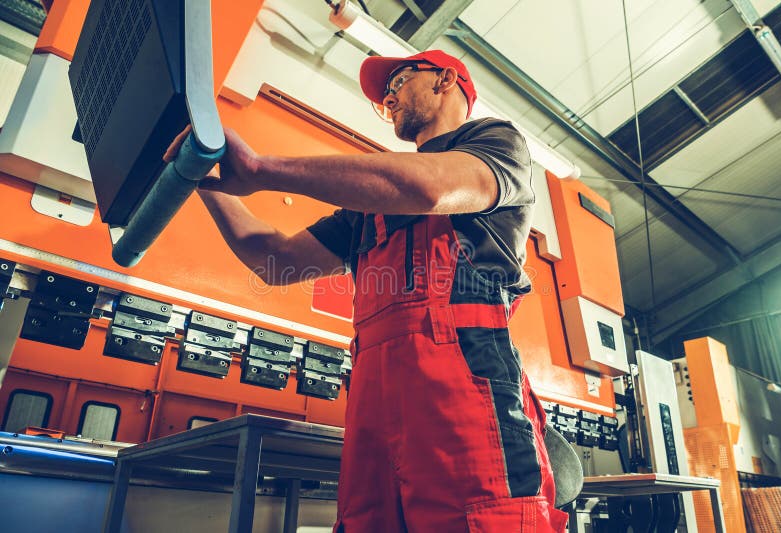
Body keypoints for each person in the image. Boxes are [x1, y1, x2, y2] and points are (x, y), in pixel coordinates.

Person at [182, 50, 567, 532]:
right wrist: (202, 178)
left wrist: (262, 170)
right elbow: (272, 261)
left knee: (483, 520)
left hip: (466, 388)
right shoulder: (368, 208)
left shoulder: (496, 144)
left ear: (445, 80)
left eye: (398, 81)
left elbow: (432, 190)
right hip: (372, 400)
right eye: (384, 95)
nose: (388, 97)